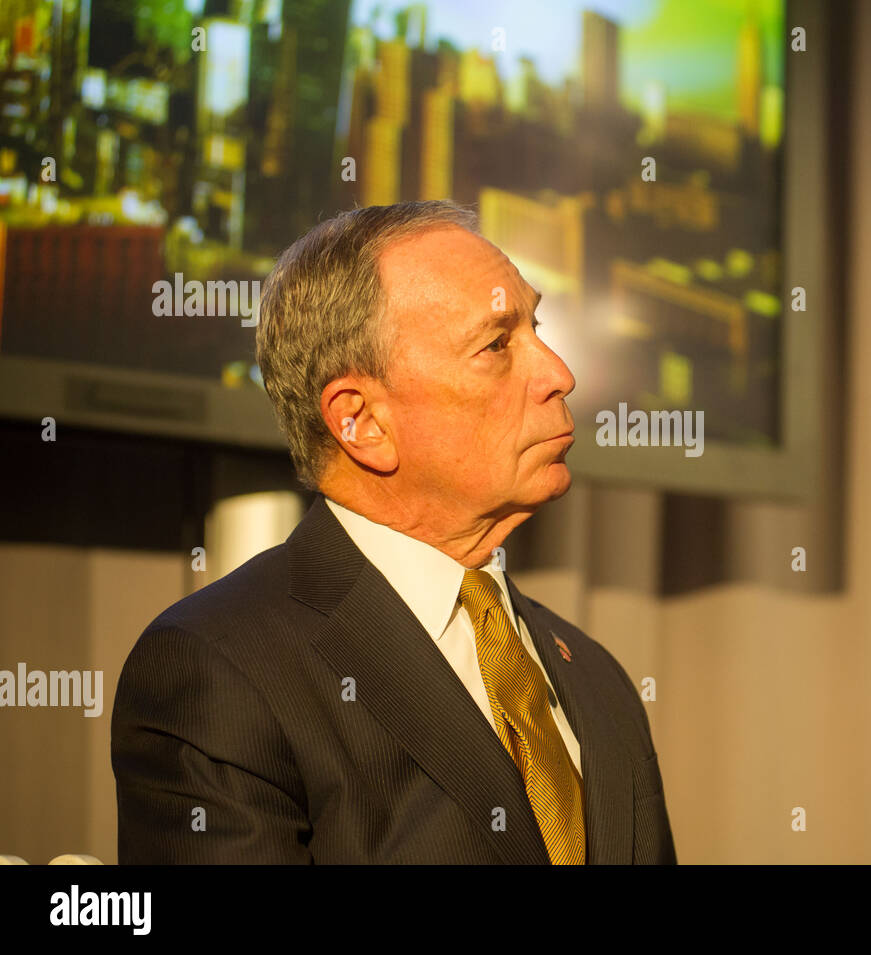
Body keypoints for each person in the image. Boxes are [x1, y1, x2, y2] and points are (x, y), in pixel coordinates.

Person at [111, 200, 676, 864]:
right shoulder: (219, 668)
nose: (559, 374)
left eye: (537, 327)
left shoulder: (598, 681)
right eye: (497, 343)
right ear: (361, 422)